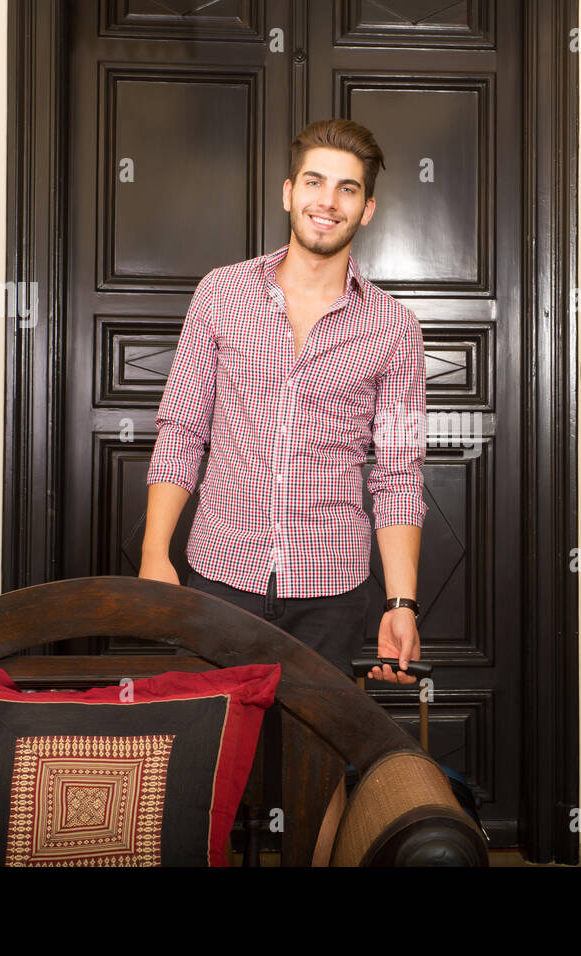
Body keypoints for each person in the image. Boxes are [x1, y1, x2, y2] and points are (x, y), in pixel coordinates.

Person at [139, 118, 426, 686]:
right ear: (288, 192)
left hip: (332, 596)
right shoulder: (220, 293)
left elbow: (399, 473)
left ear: (367, 208)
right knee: (214, 763)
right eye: (314, 182)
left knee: (313, 770)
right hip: (219, 577)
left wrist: (402, 603)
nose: (328, 201)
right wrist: (154, 555)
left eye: (348, 189)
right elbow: (182, 431)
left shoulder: (396, 327)